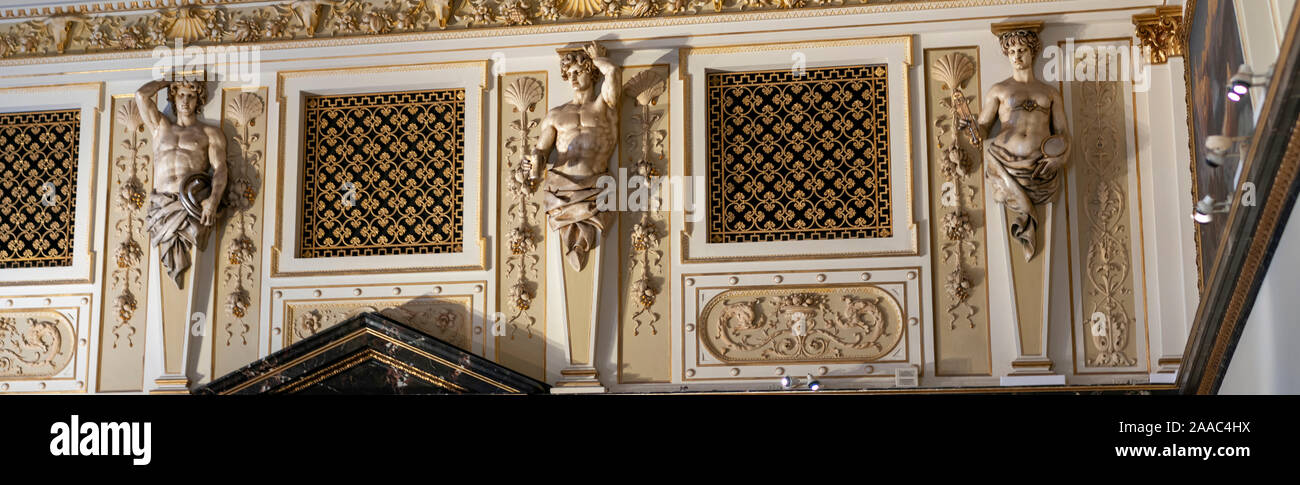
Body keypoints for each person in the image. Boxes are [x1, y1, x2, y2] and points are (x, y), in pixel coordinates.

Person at [964, 27, 1071, 261]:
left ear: (1032, 52)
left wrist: (1059, 159)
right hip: (1004, 163)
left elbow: (1063, 133)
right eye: (1011, 51)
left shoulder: (1050, 93)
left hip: (1040, 169)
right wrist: (972, 126)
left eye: (1021, 50)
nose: (1016, 56)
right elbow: (983, 128)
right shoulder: (999, 90)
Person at [521, 42, 620, 271]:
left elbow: (613, 73)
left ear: (591, 72)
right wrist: (534, 161)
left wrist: (597, 59)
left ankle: (580, 244)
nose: (573, 78)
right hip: (560, 188)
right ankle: (574, 245)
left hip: (595, 189)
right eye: (569, 74)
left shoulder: (605, 106)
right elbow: (542, 151)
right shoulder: (556, 115)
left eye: (578, 72)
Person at [135, 78, 227, 287]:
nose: (185, 101)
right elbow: (141, 95)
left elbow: (221, 168)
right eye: (180, 95)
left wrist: (213, 200)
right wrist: (167, 80)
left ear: (198, 100)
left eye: (191, 96)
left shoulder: (209, 133)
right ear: (174, 97)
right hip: (161, 206)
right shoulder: (160, 128)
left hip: (191, 205)